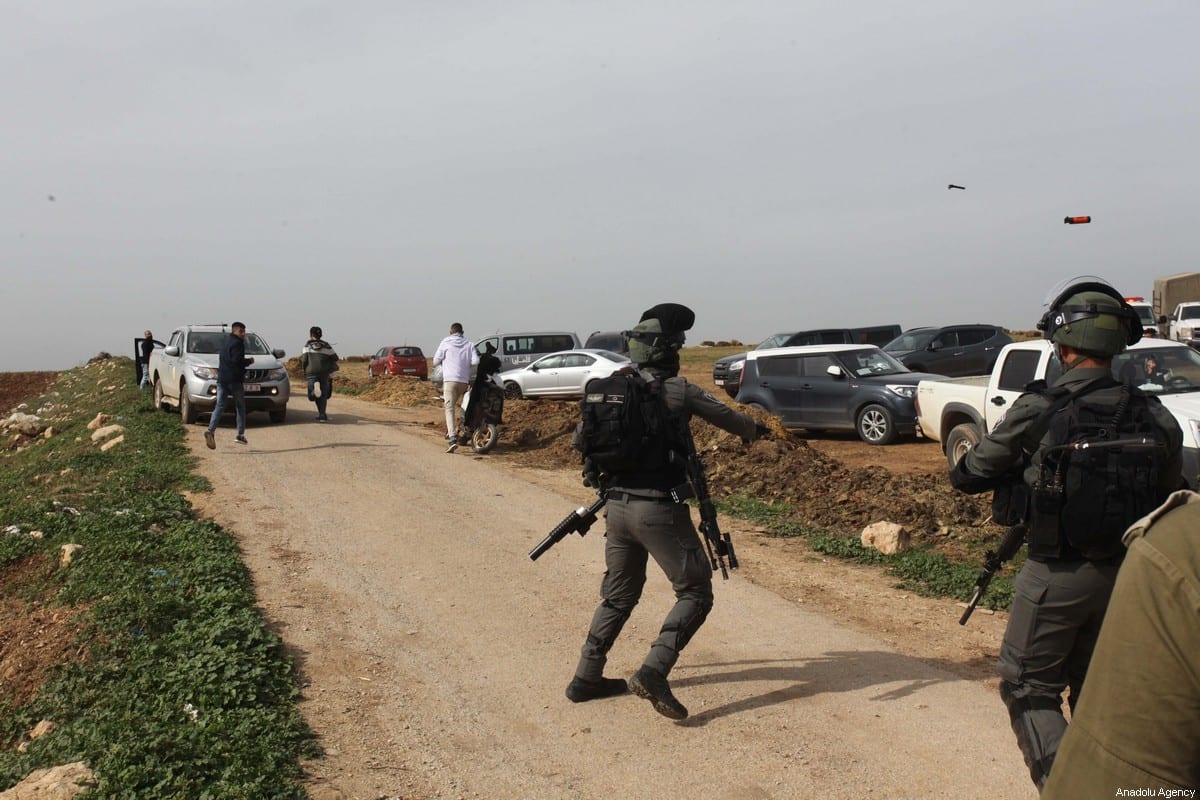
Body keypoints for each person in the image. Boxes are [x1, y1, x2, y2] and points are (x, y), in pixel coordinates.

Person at [949, 276, 1183, 789]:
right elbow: (1171, 496)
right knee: (1099, 694)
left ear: (1066, 343)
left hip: (1056, 574)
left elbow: (969, 474)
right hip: (1129, 580)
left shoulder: (1040, 407)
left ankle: (1067, 786)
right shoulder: (1154, 413)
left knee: (1028, 686)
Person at [566, 303, 766, 719]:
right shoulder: (677, 390)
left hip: (616, 510)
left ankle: (587, 675)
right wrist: (757, 429)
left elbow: (581, 442)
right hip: (660, 510)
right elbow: (732, 420)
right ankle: (654, 672)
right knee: (695, 591)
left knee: (618, 596)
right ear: (668, 349)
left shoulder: (608, 387)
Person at [1041, 490, 1200, 797]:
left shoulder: (1180, 548)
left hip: (1061, 562)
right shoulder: (1163, 438)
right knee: (1085, 676)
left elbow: (1133, 784)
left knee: (1025, 680)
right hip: (1115, 562)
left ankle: (1052, 771)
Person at [204, 322, 255, 449]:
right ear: (235, 331)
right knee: (240, 407)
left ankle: (210, 430)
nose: (243, 334)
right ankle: (240, 435)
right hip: (235, 380)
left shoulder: (225, 343)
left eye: (244, 331)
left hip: (222, 379)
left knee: (220, 405)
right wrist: (249, 361)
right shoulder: (238, 343)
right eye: (241, 332)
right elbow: (237, 360)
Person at [432, 322, 478, 453]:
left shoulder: (446, 342)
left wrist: (446, 362)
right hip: (464, 381)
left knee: (449, 408)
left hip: (450, 381)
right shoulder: (469, 344)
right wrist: (466, 367)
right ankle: (458, 428)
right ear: (462, 332)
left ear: (450, 332)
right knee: (463, 405)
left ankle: (452, 438)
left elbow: (435, 361)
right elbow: (475, 361)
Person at [299, 326, 339, 422]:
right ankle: (322, 415)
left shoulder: (307, 346)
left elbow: (304, 360)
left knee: (312, 396)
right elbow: (335, 358)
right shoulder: (327, 346)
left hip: (311, 372)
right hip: (324, 373)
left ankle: (314, 392)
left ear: (311, 335)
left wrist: (303, 369)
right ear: (321, 335)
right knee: (323, 395)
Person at [463, 341, 502, 432]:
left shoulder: (482, 372)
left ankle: (468, 425)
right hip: (489, 404)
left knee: (472, 407)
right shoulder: (496, 378)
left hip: (481, 398)